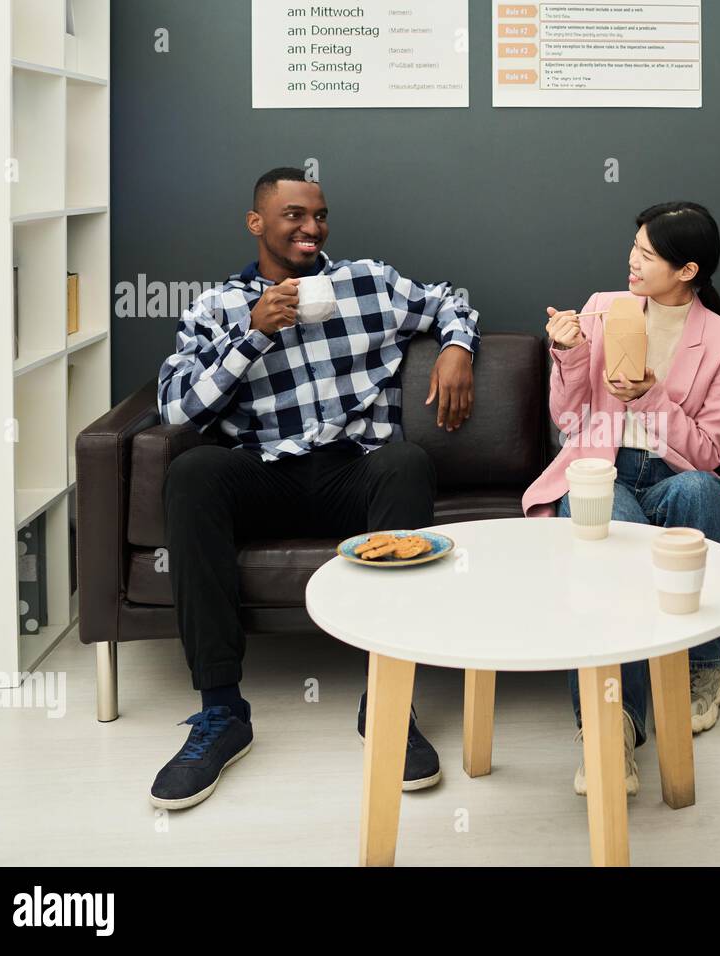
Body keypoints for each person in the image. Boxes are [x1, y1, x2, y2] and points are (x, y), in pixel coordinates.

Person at [151, 167, 480, 809]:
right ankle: (221, 713)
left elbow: (449, 301)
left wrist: (456, 347)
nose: (312, 228)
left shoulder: (366, 283)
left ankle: (388, 704)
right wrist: (252, 334)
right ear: (257, 224)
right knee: (191, 472)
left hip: (350, 469)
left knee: (405, 463)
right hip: (263, 472)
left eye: (320, 215)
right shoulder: (215, 308)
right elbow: (176, 411)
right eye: (294, 216)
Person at [521, 202, 720, 796]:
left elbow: (705, 454)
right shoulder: (604, 309)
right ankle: (611, 724)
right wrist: (568, 355)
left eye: (648, 254)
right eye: (635, 246)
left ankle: (704, 672)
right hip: (602, 469)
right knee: (607, 533)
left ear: (687, 269)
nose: (632, 260)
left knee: (701, 492)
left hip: (674, 473)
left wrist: (651, 397)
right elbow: (568, 418)